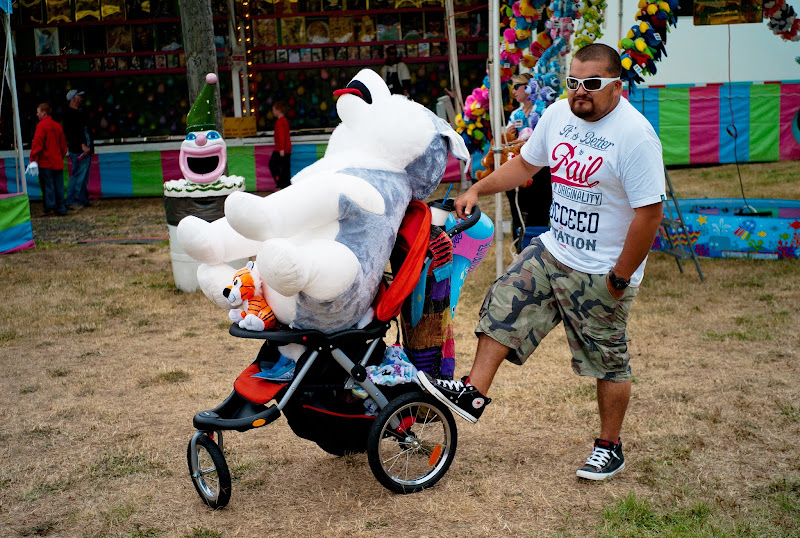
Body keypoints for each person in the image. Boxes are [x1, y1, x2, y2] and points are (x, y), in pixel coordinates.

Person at [418, 43, 666, 481]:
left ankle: (610, 447)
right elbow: (526, 165)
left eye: (591, 84)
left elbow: (649, 215)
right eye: (573, 83)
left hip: (601, 270)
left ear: (617, 87)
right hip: (554, 248)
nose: (580, 93)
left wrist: (619, 277)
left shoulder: (635, 136)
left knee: (606, 359)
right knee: (502, 302)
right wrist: (477, 189)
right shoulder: (557, 115)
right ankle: (473, 393)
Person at [505, 73, 553, 251]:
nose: (514, 90)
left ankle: (538, 248)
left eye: (517, 86)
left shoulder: (542, 110)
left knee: (539, 210)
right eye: (512, 86)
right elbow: (508, 142)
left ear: (529, 87)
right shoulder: (515, 114)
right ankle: (519, 247)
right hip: (520, 164)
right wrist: (509, 134)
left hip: (540, 168)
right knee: (518, 209)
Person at [28, 103, 68, 217]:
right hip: (57, 161)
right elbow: (64, 147)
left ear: (43, 113)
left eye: (38, 112)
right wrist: (59, 157)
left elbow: (37, 144)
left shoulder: (41, 126)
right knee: (59, 186)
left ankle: (50, 207)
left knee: (48, 186)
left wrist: (33, 159)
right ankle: (60, 208)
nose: (37, 114)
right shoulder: (57, 126)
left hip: (45, 162)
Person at [64, 89, 94, 210]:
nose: (81, 98)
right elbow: (73, 133)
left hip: (83, 149)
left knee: (83, 176)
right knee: (78, 176)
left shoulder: (77, 113)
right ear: (73, 98)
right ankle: (70, 200)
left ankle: (83, 199)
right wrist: (82, 145)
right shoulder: (71, 114)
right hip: (79, 150)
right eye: (79, 96)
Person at [268, 101, 292, 189]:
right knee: (285, 168)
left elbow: (282, 135)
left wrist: (281, 148)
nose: (273, 112)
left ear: (278, 110)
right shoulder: (284, 120)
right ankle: (285, 185)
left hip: (281, 149)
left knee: (273, 165)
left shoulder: (280, 122)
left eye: (274, 110)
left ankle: (280, 184)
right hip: (286, 149)